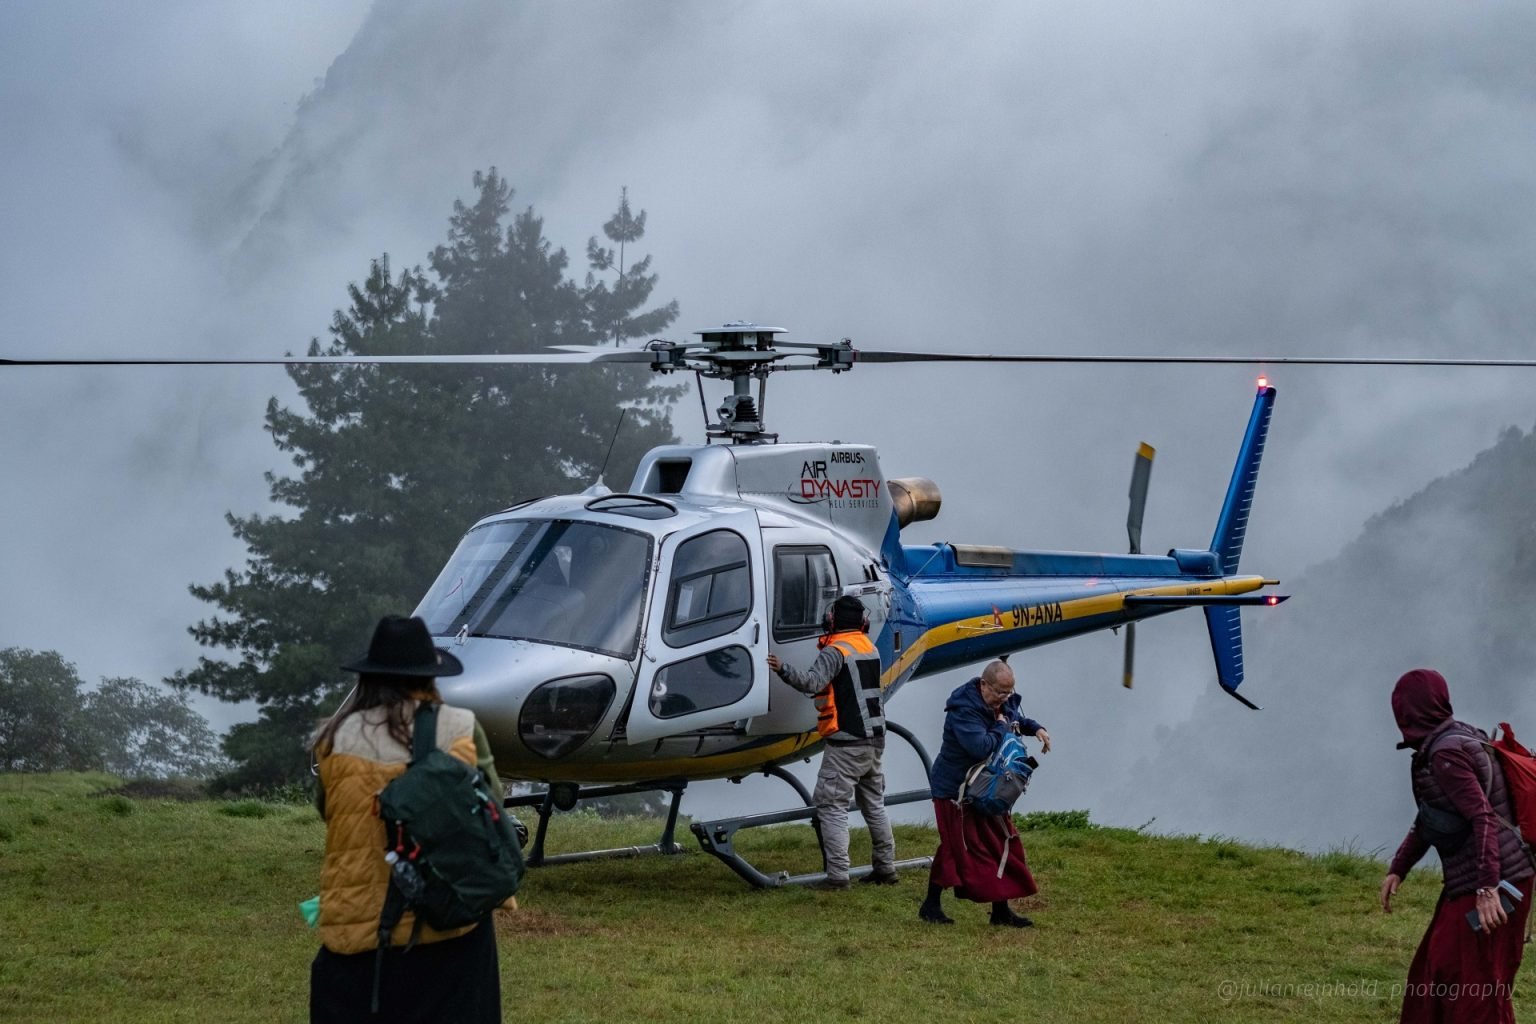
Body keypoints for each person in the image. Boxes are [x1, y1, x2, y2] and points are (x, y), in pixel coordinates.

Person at [309, 615, 508, 1024]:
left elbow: (327, 809)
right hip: (447, 931)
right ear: (428, 676)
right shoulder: (459, 727)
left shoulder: (333, 737)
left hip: (354, 937)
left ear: (368, 676)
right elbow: (492, 806)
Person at [1379, 667, 1534, 1023]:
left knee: (1475, 992)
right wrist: (1399, 867)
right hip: (1495, 880)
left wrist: (1487, 890)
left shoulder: (1445, 754)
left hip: (1497, 886)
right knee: (1436, 973)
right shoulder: (1459, 736)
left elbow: (1483, 818)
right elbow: (1434, 815)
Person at [766, 594, 898, 891]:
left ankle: (838, 876)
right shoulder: (869, 647)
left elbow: (812, 683)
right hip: (875, 739)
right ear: (862, 622)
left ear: (833, 619)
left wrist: (782, 668)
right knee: (874, 804)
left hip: (847, 743)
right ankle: (886, 868)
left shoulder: (835, 651)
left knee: (831, 805)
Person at [920, 659, 1052, 927]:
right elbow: (980, 746)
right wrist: (1001, 726)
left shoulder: (1001, 704)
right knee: (956, 848)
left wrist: (1036, 728)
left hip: (989, 788)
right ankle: (931, 906)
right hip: (955, 790)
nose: (1004, 698)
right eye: (999, 692)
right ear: (984, 685)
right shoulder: (963, 710)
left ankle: (1001, 912)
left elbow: (1016, 719)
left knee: (1001, 841)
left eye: (1008, 693)